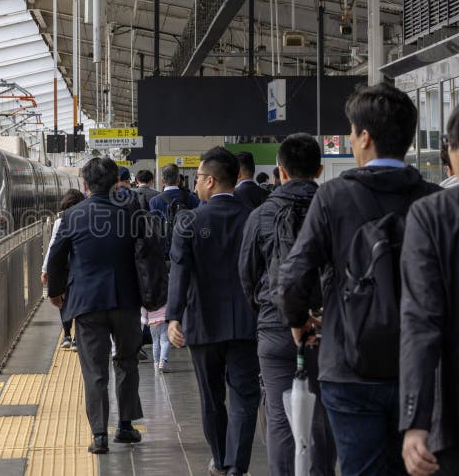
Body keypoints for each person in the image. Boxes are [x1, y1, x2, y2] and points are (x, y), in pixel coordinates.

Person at [278, 83, 441, 476]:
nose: (351, 140)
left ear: (365, 137)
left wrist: (300, 323)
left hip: (348, 365)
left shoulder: (333, 197)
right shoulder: (434, 200)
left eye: (351, 132)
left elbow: (293, 277)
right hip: (423, 371)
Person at [238, 133, 337, 476]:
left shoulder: (261, 215)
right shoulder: (334, 209)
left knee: (280, 417)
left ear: (280, 172)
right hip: (326, 326)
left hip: (275, 327)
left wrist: (268, 311)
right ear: (320, 170)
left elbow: (247, 274)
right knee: (322, 413)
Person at [167, 147, 260, 476]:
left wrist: (173, 316)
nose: (194, 187)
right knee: (245, 395)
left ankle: (221, 460)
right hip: (248, 323)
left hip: (203, 321)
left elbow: (180, 271)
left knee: (211, 396)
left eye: (197, 180)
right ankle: (238, 465)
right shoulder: (254, 216)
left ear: (209, 180)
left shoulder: (189, 219)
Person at [46, 157, 143, 455]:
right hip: (127, 300)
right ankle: (124, 426)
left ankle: (99, 435)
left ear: (85, 185)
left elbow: (56, 258)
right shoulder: (131, 212)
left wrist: (56, 292)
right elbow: (147, 253)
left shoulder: (72, 215)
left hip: (87, 304)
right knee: (126, 362)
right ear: (116, 182)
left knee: (95, 369)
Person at [399, 113, 459, 476]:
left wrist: (416, 421)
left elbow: (421, 322)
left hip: (452, 415)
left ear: (451, 151)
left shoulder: (433, 215)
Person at [41, 189, 85, 351]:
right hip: (78, 267)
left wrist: (45, 269)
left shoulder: (61, 221)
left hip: (63, 267)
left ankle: (66, 334)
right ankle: (76, 339)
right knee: (78, 301)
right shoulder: (84, 218)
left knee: (63, 301)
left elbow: (53, 246)